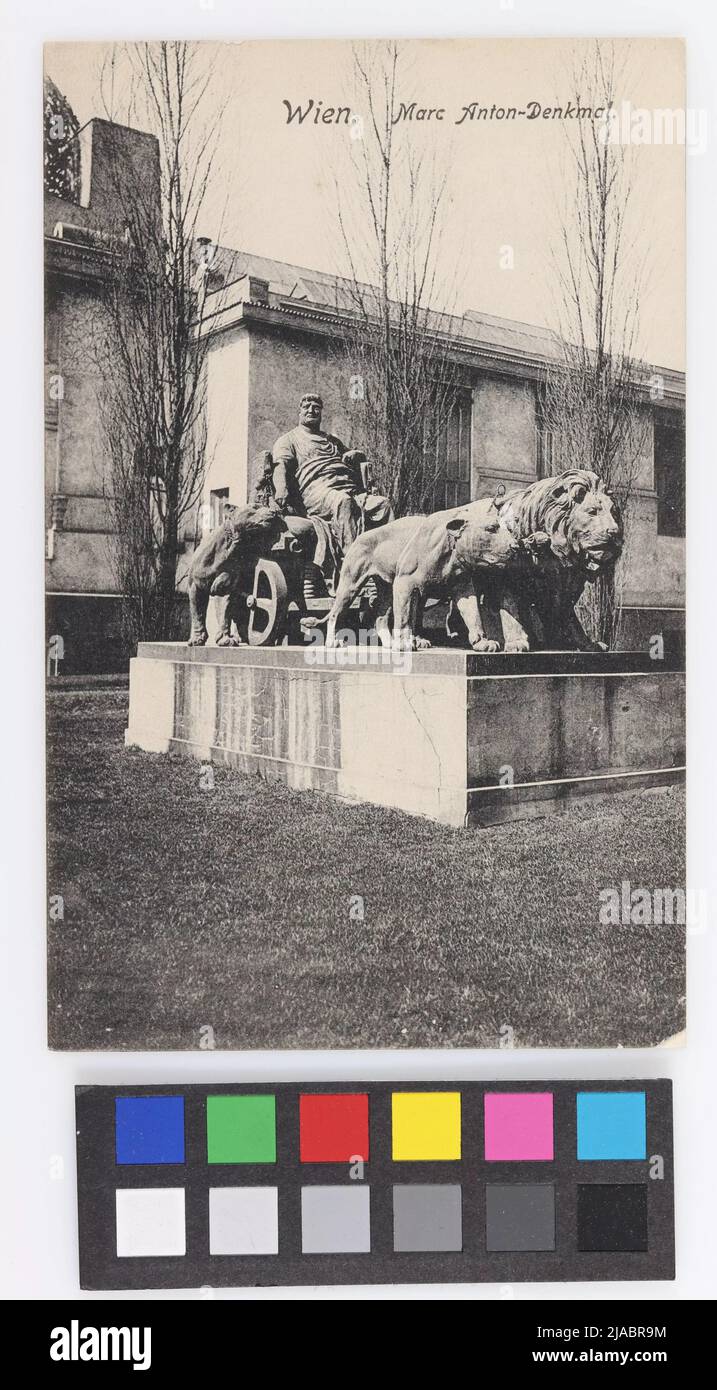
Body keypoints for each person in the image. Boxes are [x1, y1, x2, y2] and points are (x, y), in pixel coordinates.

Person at [271, 393, 392, 553]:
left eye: (316, 408)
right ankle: (353, 563)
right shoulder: (289, 440)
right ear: (299, 412)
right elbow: (281, 465)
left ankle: (387, 558)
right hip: (317, 493)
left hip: (348, 488)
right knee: (343, 502)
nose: (311, 411)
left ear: (321, 412)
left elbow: (353, 455)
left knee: (382, 505)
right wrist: (281, 489)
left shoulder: (332, 440)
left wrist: (356, 455)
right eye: (306, 407)